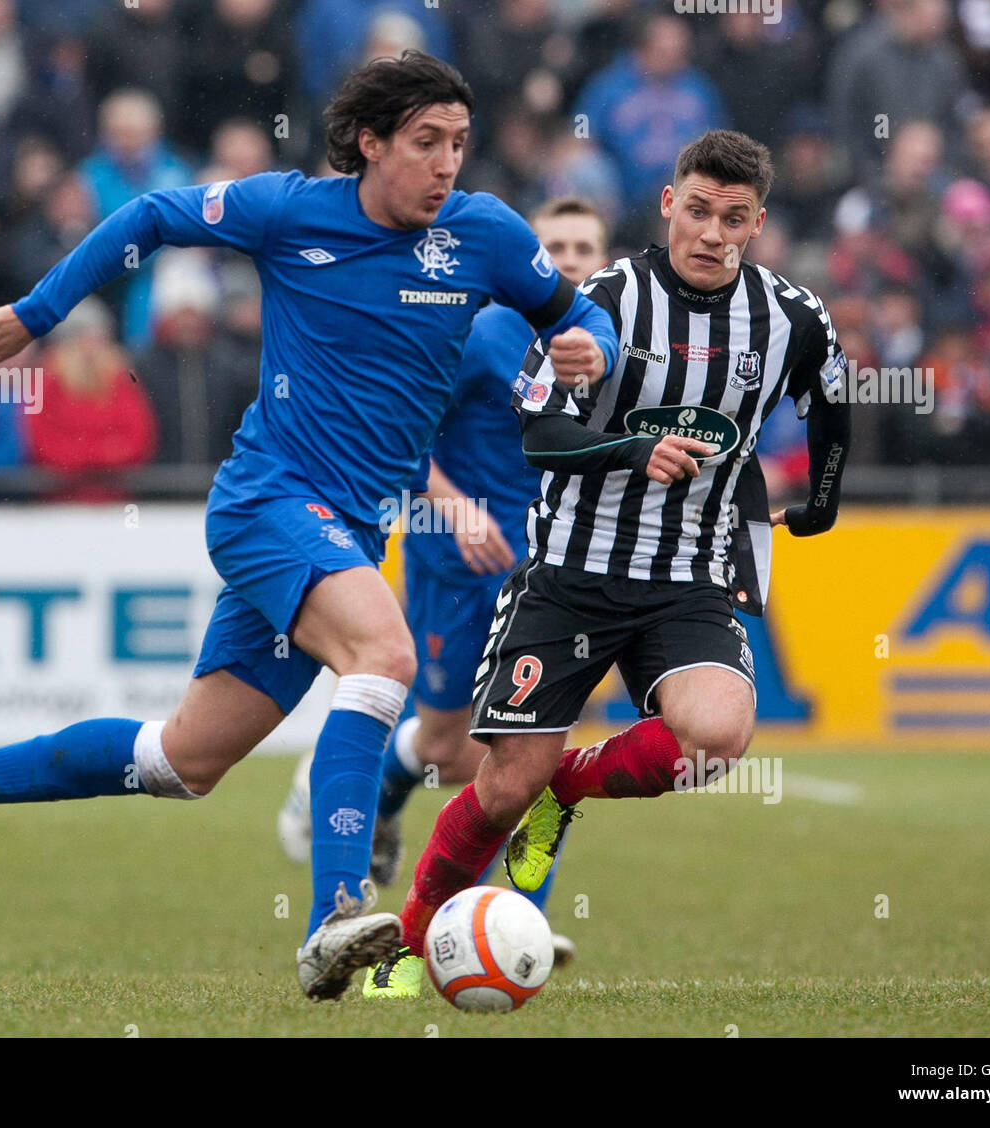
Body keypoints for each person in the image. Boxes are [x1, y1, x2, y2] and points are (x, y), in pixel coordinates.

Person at [0, 51, 618, 1003]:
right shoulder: (291, 211)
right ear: (370, 143)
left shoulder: (484, 234)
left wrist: (584, 346)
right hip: (268, 499)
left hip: (349, 532)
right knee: (384, 657)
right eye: (428, 143)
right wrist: (37, 312)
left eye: (460, 145)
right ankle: (333, 917)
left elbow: (585, 317)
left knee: (182, 761)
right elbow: (150, 217)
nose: (447, 164)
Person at [372, 130, 852, 990]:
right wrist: (636, 449)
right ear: (669, 204)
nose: (711, 233)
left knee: (717, 737)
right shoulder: (601, 302)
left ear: (757, 225)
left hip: (689, 575)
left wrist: (822, 497)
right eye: (698, 211)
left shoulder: (791, 316)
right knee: (500, 787)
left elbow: (832, 398)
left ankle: (572, 788)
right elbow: (538, 428)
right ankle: (408, 945)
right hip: (569, 573)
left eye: (732, 219)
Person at [276, 198, 612, 991]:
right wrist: (453, 503)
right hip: (453, 564)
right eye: (553, 244)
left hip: (552, 575)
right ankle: (389, 786)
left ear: (604, 257)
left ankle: (518, 917)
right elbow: (399, 432)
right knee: (447, 748)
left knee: (537, 748)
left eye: (583, 246)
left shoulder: (606, 348)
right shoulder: (484, 331)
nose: (567, 257)